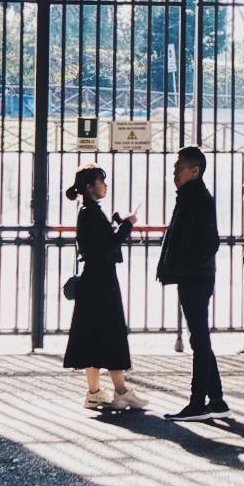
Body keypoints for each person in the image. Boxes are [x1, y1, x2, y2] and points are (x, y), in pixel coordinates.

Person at [63, 166, 145, 412]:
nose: (105, 185)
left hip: (92, 281)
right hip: (103, 282)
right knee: (112, 333)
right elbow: (107, 247)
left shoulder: (87, 211)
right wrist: (128, 225)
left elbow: (98, 243)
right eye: (102, 181)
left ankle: (95, 391)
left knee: (92, 335)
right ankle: (121, 391)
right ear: (90, 186)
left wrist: (115, 225)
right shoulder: (91, 213)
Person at [156, 145, 227, 420]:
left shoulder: (198, 199)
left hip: (195, 277)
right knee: (200, 338)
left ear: (194, 170)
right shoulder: (190, 196)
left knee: (199, 338)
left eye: (179, 167)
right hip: (195, 275)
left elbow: (210, 242)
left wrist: (186, 262)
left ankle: (198, 403)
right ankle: (217, 401)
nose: (174, 172)